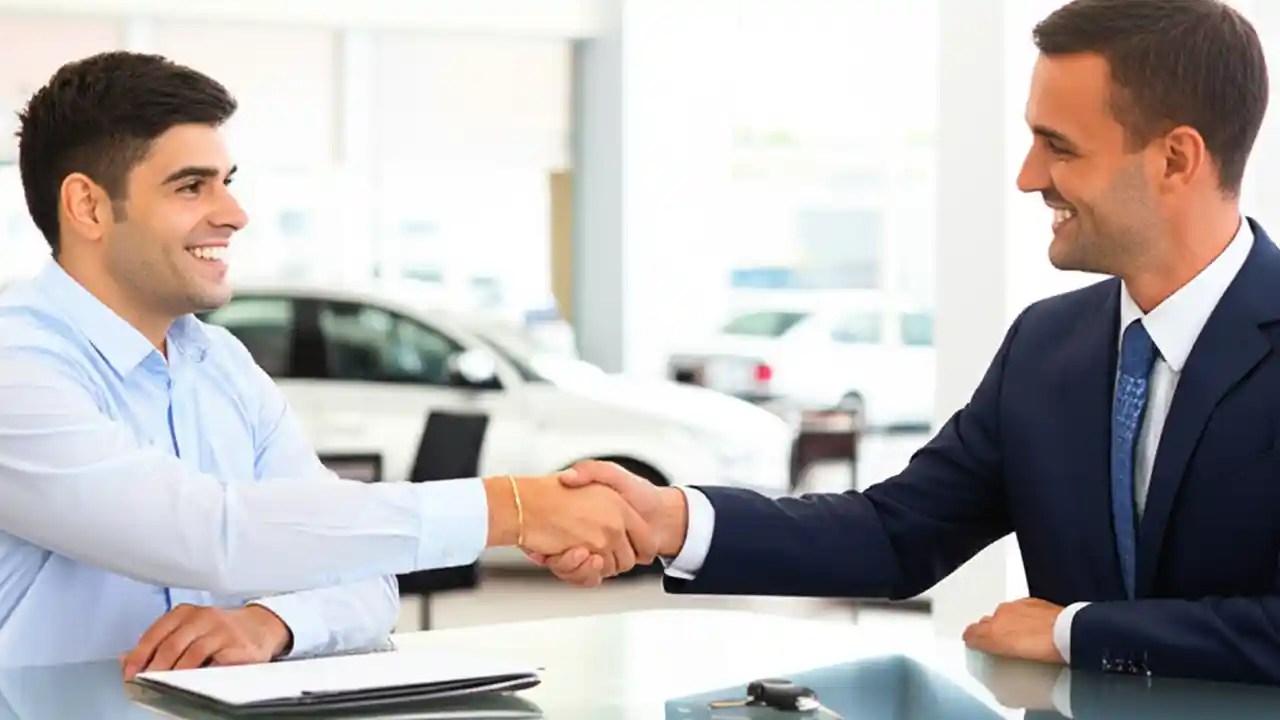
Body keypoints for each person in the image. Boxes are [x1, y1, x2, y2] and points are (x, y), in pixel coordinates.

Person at [536, 0, 1280, 685]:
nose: (1028, 178)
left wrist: (1075, 633)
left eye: (1058, 147)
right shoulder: (1048, 347)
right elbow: (895, 533)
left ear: (1176, 159)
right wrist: (672, 518)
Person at [0, 51, 655, 677]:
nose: (233, 214)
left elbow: (364, 576)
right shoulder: (17, 364)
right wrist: (510, 508)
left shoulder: (219, 363)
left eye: (226, 183)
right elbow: (207, 531)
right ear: (88, 206)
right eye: (191, 186)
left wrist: (271, 623)